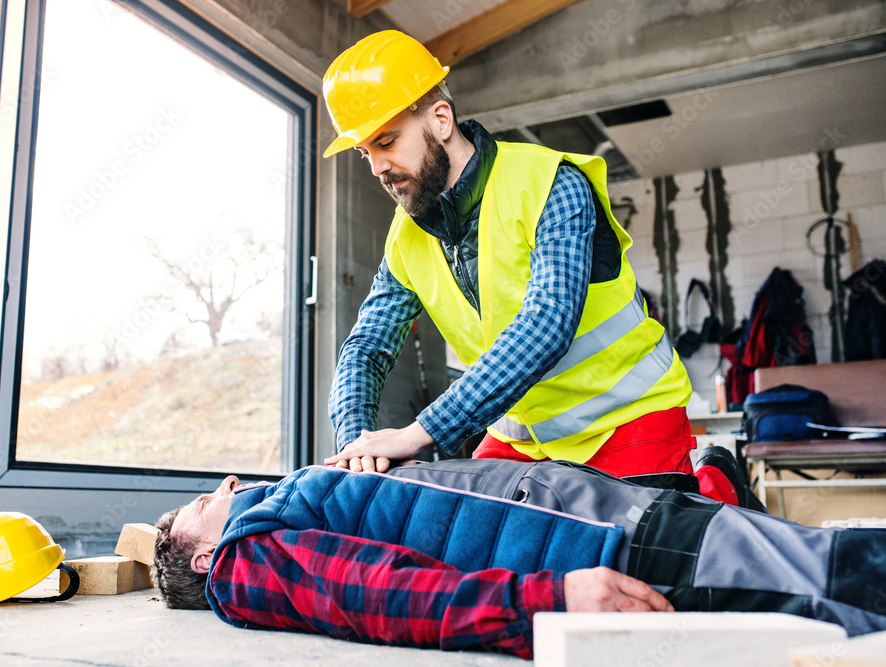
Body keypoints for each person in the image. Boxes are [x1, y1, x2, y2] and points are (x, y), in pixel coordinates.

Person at [319, 30, 738, 505]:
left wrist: (420, 432)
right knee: (476, 545)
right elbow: (368, 346)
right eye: (364, 152)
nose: (376, 167)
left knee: (646, 561)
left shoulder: (550, 183)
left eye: (387, 141)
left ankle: (721, 488)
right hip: (523, 439)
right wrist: (357, 446)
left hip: (627, 419)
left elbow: (547, 323)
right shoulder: (406, 235)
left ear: (440, 119)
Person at [152, 459, 886, 659]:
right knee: (840, 584)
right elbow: (387, 596)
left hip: (617, 522)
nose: (224, 486)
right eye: (202, 505)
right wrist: (553, 601)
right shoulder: (241, 566)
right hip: (618, 552)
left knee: (838, 567)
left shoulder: (278, 510)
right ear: (205, 554)